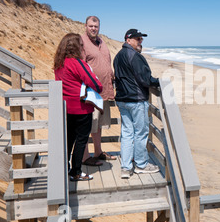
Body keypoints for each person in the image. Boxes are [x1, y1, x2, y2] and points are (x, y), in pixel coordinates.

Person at [53, 33, 103, 181]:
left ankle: (65, 168)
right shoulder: (76, 62)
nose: (83, 48)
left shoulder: (59, 63)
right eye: (81, 45)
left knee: (69, 140)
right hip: (81, 108)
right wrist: (98, 85)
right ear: (76, 47)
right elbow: (96, 84)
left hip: (65, 107)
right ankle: (76, 172)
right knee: (81, 141)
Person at [113, 29, 160, 179]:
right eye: (137, 39)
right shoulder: (135, 56)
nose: (141, 41)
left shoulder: (118, 56)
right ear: (128, 40)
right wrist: (159, 81)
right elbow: (146, 80)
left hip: (122, 100)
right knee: (140, 133)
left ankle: (126, 168)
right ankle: (141, 164)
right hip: (136, 100)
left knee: (127, 133)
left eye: (141, 39)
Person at [80, 16, 117, 166]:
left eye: (96, 26)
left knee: (99, 125)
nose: (93, 28)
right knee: (87, 126)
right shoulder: (82, 42)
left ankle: (98, 152)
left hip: (104, 91)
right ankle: (84, 157)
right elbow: (80, 66)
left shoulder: (101, 41)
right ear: (85, 26)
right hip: (91, 92)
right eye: (91, 26)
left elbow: (105, 63)